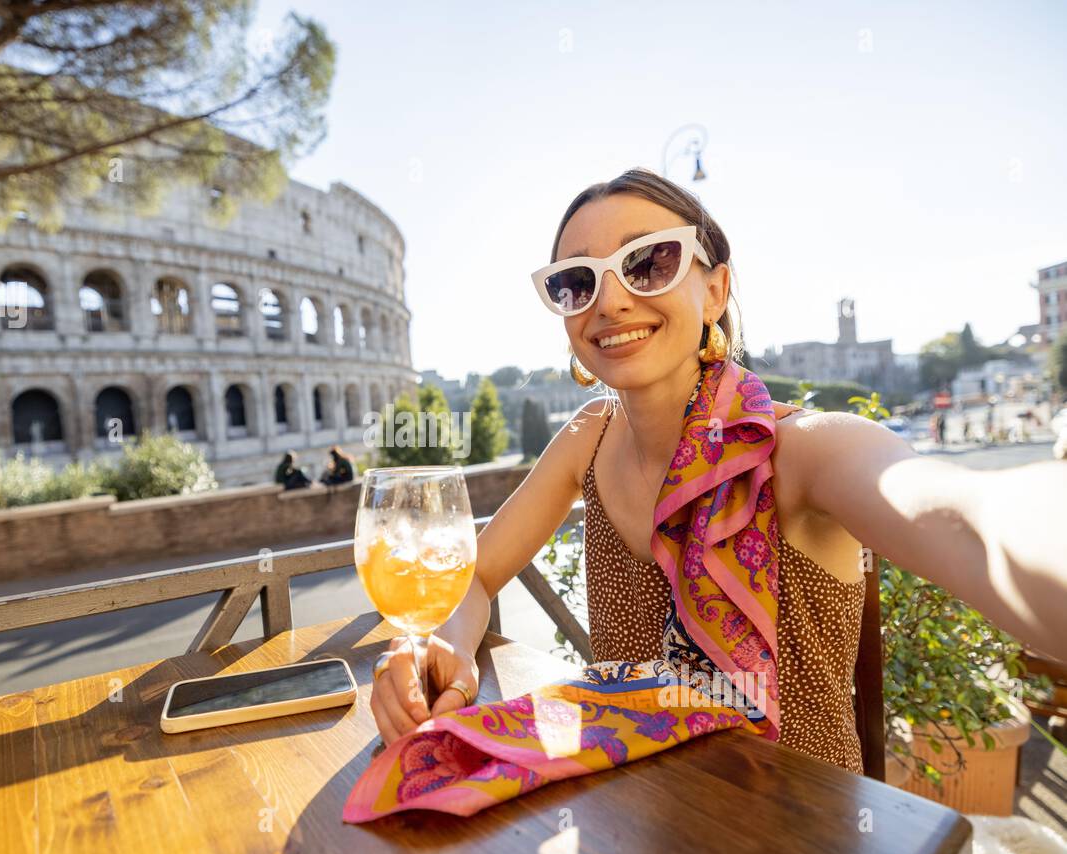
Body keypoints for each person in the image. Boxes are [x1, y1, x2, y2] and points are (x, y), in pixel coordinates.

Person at [368, 166, 1067, 775]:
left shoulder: (801, 450)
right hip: (625, 813)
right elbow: (476, 575)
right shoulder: (586, 439)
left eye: (648, 262)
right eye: (577, 281)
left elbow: (971, 521)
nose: (610, 301)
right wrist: (444, 647)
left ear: (714, 290)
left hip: (805, 836)